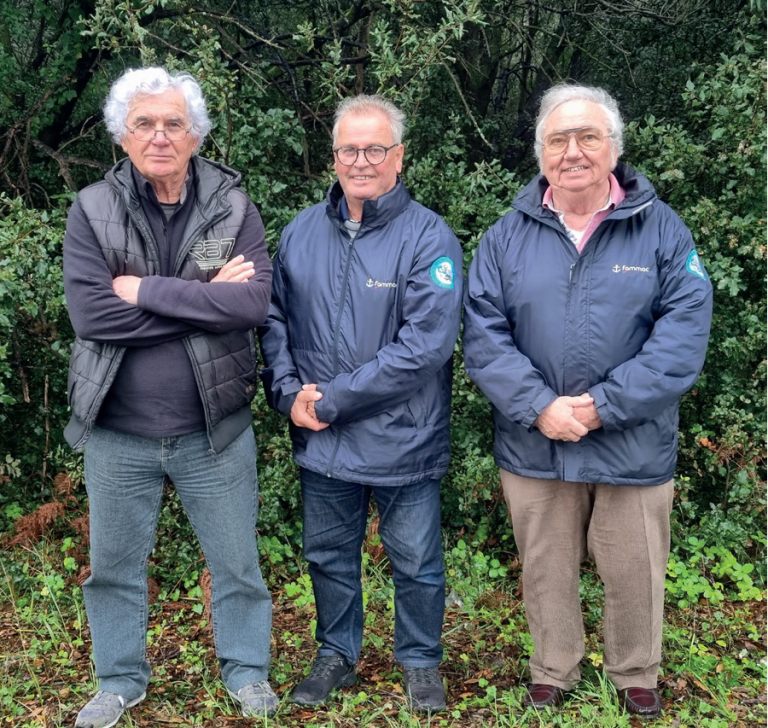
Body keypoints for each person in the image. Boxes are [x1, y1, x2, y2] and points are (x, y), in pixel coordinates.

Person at [463, 84, 712, 718]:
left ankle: (635, 672)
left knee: (635, 566)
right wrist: (542, 406)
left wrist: (600, 406)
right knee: (545, 565)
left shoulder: (663, 230)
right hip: (534, 439)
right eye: (557, 139)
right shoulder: (503, 238)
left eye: (587, 137)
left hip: (632, 438)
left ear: (613, 148)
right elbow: (484, 338)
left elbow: (682, 339)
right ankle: (554, 666)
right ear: (541, 152)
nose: (572, 151)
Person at [63, 67, 276, 727]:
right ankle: (120, 681)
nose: (160, 135)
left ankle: (246, 673)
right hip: (117, 432)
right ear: (123, 136)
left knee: (237, 563)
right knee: (113, 568)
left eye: (173, 123)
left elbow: (253, 302)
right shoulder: (91, 209)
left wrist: (145, 290)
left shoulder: (233, 205)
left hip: (215, 428)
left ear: (196, 134)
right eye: (145, 123)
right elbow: (93, 317)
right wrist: (205, 302)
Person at [258, 95, 462, 712]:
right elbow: (273, 319)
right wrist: (288, 393)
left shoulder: (430, 236)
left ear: (398, 157)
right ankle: (336, 655)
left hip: (403, 437)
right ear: (335, 156)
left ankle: (421, 661)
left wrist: (333, 400)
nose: (361, 160)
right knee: (328, 556)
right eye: (350, 149)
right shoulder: (300, 231)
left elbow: (425, 346)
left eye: (375, 149)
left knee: (418, 562)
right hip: (322, 439)